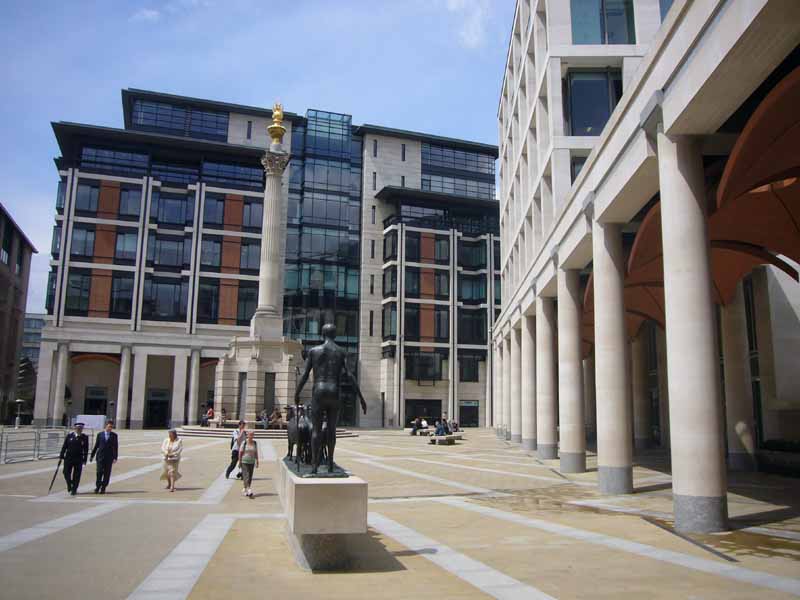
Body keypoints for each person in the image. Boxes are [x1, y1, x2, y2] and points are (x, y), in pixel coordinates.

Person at [60, 422, 89, 495]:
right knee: (65, 472)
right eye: (78, 428)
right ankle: (69, 484)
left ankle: (74, 489)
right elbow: (64, 446)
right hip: (68, 458)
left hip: (78, 458)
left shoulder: (84, 437)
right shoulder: (69, 436)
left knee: (77, 475)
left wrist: (85, 459)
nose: (79, 429)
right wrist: (61, 455)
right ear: (75, 428)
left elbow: (86, 449)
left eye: (81, 428)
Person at [90, 420, 118, 494]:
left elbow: (115, 447)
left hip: (109, 457)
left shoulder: (114, 435)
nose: (110, 428)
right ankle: (98, 486)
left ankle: (103, 487)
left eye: (111, 427)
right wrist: (92, 455)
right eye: (109, 426)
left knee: (107, 473)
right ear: (105, 426)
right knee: (99, 472)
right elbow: (96, 446)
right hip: (100, 456)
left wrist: (115, 457)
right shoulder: (100, 434)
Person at [237, 430, 259, 498]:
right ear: (247, 435)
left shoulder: (255, 443)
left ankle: (245, 489)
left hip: (251, 462)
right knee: (246, 475)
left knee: (250, 476)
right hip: (244, 461)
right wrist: (240, 461)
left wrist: (257, 460)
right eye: (250, 435)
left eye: (252, 435)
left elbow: (256, 452)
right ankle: (249, 489)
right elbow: (240, 452)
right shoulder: (244, 442)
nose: (251, 436)